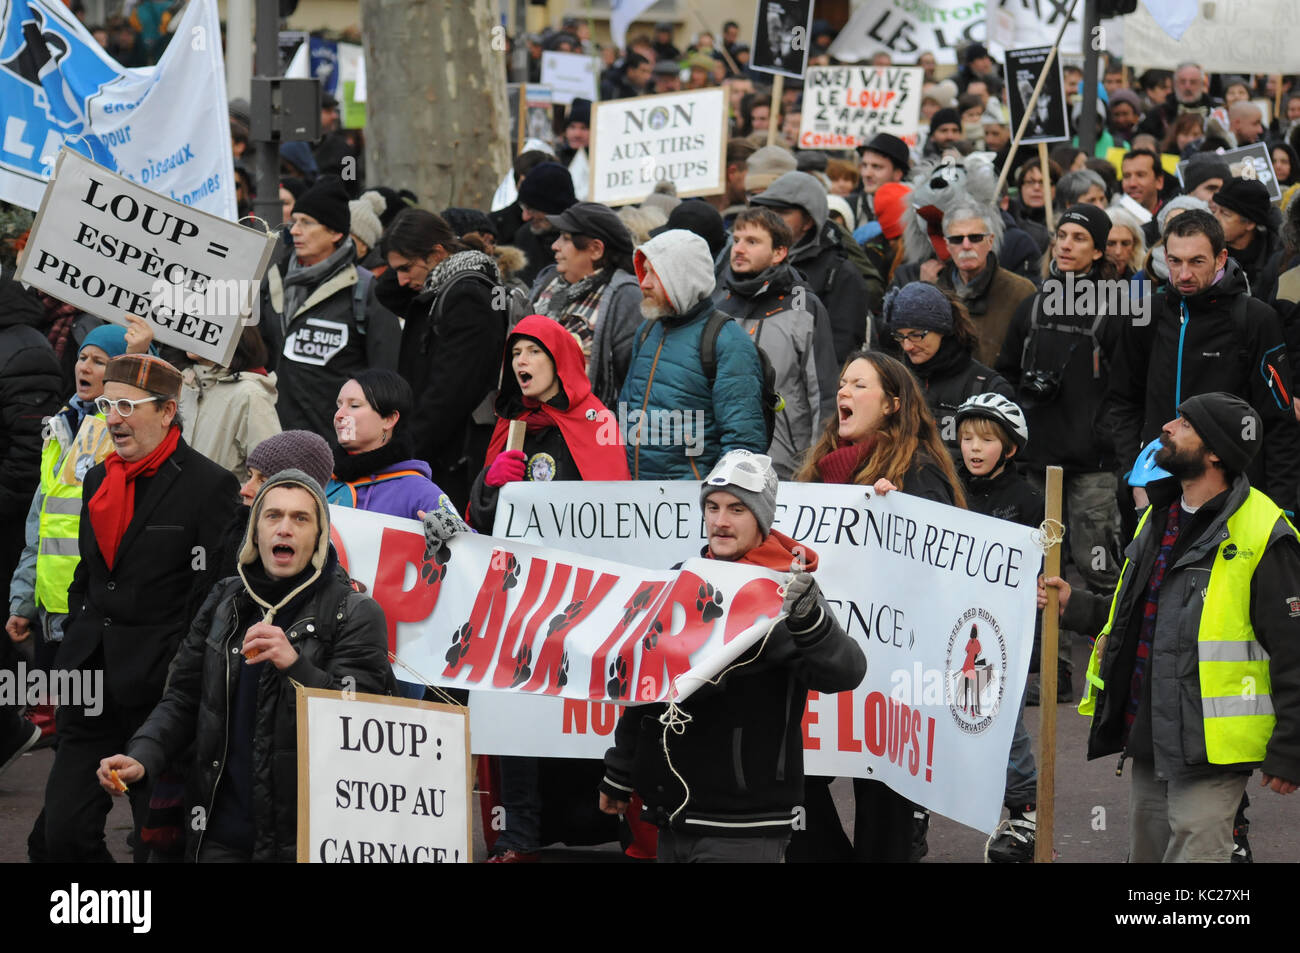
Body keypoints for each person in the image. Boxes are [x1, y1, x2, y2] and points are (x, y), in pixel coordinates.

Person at [99, 469, 395, 862]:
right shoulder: (225, 600)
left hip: (310, 839)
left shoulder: (354, 612)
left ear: (320, 537)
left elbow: (368, 722)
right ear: (255, 532)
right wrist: (143, 755)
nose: (284, 529)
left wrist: (296, 666)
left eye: (300, 518)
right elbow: (184, 698)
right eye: (272, 516)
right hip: (219, 832)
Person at [1060, 394, 1300, 862]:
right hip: (1149, 731)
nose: (1168, 427)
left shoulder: (1265, 534)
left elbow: (1294, 649)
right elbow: (1138, 611)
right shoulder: (1157, 516)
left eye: (1185, 423)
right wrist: (1077, 606)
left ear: (1215, 452)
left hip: (1212, 746)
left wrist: (1290, 747)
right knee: (1146, 854)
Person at [597, 450, 866, 863]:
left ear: (762, 518)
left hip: (745, 822)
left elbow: (845, 673)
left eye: (737, 509)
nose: (720, 521)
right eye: (713, 506)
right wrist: (620, 770)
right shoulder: (681, 576)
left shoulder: (783, 590)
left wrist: (811, 620)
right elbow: (647, 683)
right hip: (673, 815)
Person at [40, 354, 239, 861]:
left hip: (158, 693)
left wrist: (178, 670)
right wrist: (77, 628)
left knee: (159, 843)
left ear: (168, 411)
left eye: (128, 405)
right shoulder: (98, 478)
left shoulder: (208, 485)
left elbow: (212, 595)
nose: (113, 417)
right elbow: (89, 574)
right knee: (61, 835)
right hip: (88, 679)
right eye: (108, 404)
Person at [788, 351, 965, 863]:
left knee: (884, 819)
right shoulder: (819, 476)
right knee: (792, 779)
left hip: (895, 681)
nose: (843, 392)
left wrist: (902, 515)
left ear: (892, 404)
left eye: (858, 385)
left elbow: (943, 564)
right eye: (841, 383)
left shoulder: (919, 472)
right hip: (826, 664)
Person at [997, 204, 1124, 701]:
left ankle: (1113, 660)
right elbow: (1006, 369)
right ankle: (1053, 670)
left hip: (1093, 465)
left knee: (1097, 567)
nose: (1066, 245)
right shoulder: (1031, 305)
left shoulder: (1115, 309)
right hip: (1035, 462)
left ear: (1097, 250)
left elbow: (1126, 388)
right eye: (1061, 235)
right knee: (1038, 570)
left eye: (1078, 238)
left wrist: (1110, 442)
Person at [1103, 209, 1300, 516]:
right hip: (1158, 492)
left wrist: (1280, 508)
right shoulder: (1145, 316)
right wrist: (1134, 477)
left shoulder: (1255, 319)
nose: (1184, 274)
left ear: (1221, 258)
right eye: (1175, 261)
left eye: (1196, 261)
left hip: (1234, 495)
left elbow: (1278, 421)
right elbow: (1123, 401)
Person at [951, 394, 1043, 862]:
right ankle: (916, 807)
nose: (973, 447)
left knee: (1004, 724)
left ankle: (1025, 810)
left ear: (1009, 448)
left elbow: (1042, 567)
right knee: (934, 715)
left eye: (986, 439)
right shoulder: (945, 487)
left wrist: (1040, 586)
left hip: (1002, 634)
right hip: (947, 626)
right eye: (966, 437)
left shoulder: (1030, 500)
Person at [257, 175, 401, 441]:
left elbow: (384, 382)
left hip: (336, 449)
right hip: (275, 439)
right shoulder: (274, 282)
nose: (294, 230)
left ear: (335, 233)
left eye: (307, 223)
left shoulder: (366, 291)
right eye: (295, 221)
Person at [618, 229, 767, 480]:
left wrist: (713, 505)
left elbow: (742, 444)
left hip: (692, 508)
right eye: (645, 272)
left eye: (655, 273)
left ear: (682, 277)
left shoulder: (727, 342)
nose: (644, 283)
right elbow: (625, 413)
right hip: (637, 503)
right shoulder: (647, 330)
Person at [388, 209, 506, 511]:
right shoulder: (438, 287)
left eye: (406, 267)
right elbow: (384, 291)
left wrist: (407, 452)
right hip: (438, 453)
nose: (400, 280)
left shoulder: (468, 295)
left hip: (454, 459)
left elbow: (451, 392)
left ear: (437, 253)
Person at [712, 207, 833, 478]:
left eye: (752, 241)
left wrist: (816, 468)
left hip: (789, 467)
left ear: (779, 253)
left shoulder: (805, 306)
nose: (739, 248)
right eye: (737, 239)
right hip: (728, 465)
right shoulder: (718, 308)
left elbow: (822, 396)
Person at [751, 171, 879, 363]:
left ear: (808, 221)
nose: (772, 219)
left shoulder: (839, 274)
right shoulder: (749, 262)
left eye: (783, 212)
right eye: (769, 211)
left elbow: (840, 348)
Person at [892, 201, 1037, 368]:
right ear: (947, 245)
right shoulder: (934, 292)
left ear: (990, 241)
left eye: (975, 238)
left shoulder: (1020, 292)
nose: (966, 246)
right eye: (957, 239)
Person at [881, 282, 1013, 464]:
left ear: (943, 329)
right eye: (900, 336)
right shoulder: (894, 381)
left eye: (916, 335)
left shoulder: (987, 388)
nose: (907, 346)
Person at [528, 202, 642, 409]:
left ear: (596, 250)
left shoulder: (626, 296)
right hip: (534, 423)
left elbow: (632, 381)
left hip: (587, 428)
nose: (555, 245)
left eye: (566, 238)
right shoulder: (548, 281)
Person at [326, 369, 459, 523]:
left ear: (389, 419)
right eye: (339, 405)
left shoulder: (417, 491)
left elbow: (466, 542)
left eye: (354, 405)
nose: (339, 415)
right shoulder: (319, 478)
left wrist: (445, 536)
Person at [1210, 178, 1280, 300]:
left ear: (1250, 224)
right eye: (1215, 210)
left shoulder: (1276, 255)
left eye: (1225, 214)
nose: (1215, 217)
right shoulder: (1207, 249)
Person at [1105, 207, 1147, 278]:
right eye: (1110, 244)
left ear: (1135, 245)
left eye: (1125, 244)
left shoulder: (1145, 278)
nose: (1118, 252)